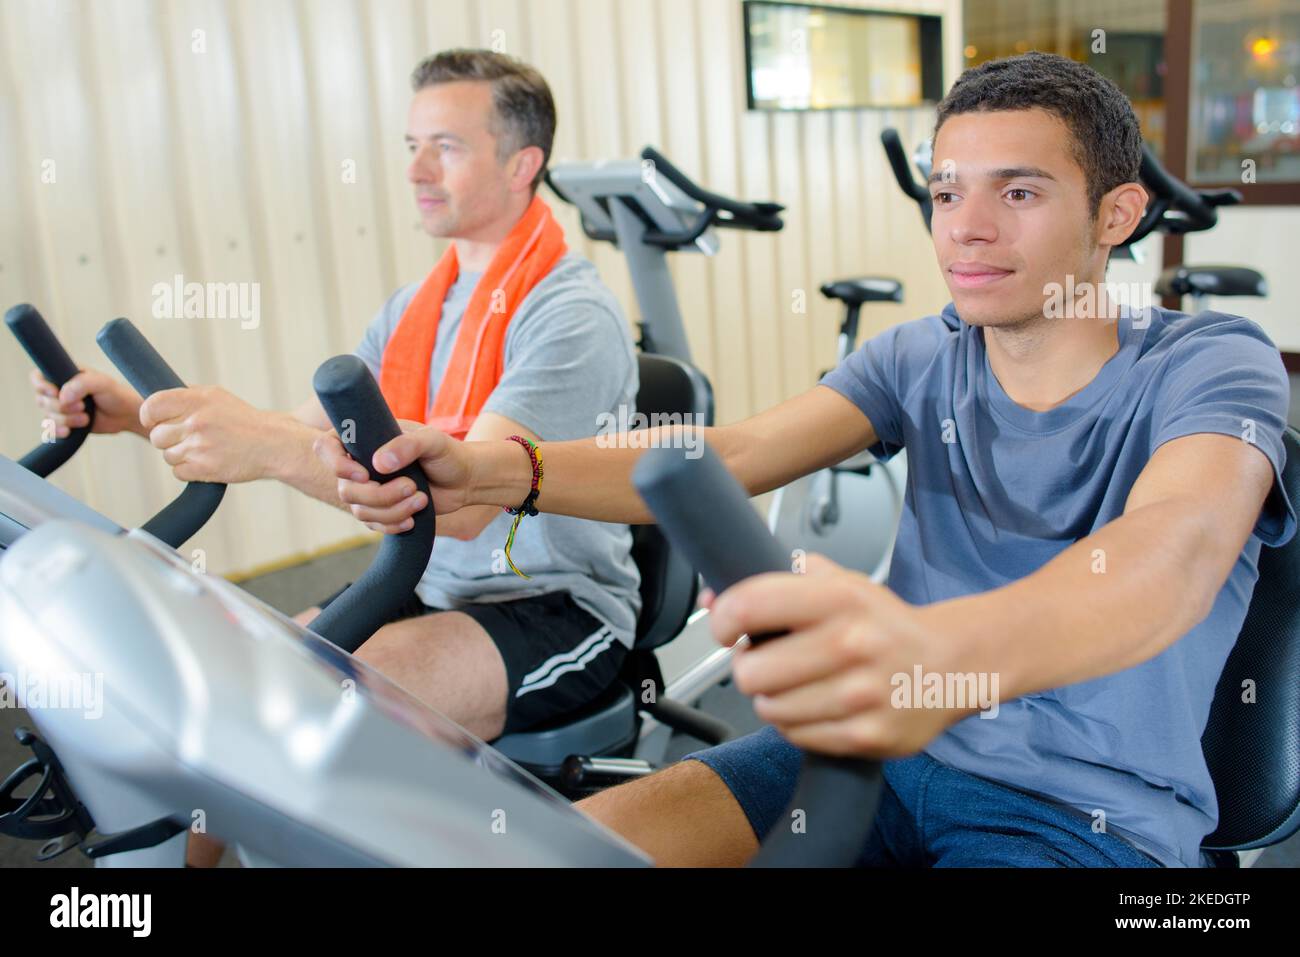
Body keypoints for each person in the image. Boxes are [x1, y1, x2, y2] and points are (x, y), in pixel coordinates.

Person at [318, 52, 1295, 868]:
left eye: (1019, 192)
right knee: (567, 856)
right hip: (866, 758)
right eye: (947, 191)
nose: (965, 226)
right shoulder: (920, 354)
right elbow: (730, 452)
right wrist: (507, 471)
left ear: (1116, 216)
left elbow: (1171, 553)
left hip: (1083, 813)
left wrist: (938, 658)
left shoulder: (1209, 361)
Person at [29, 49, 641, 746]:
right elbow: (297, 430)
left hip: (551, 606)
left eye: (445, 148)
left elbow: (468, 502)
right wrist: (140, 414)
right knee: (228, 683)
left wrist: (264, 447)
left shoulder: (570, 314)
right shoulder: (414, 308)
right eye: (413, 147)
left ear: (521, 165)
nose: (415, 170)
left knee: (305, 718)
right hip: (425, 583)